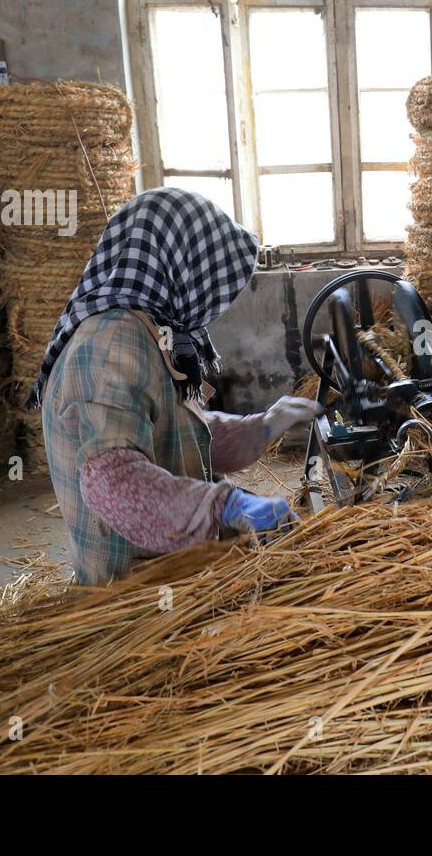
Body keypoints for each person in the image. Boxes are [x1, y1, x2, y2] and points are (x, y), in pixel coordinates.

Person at [29, 186, 322, 585]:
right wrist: (224, 505)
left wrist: (261, 426)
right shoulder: (111, 344)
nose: (216, 298)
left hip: (174, 565)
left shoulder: (148, 328)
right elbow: (113, 484)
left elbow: (171, 434)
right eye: (210, 277)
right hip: (136, 587)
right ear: (181, 266)